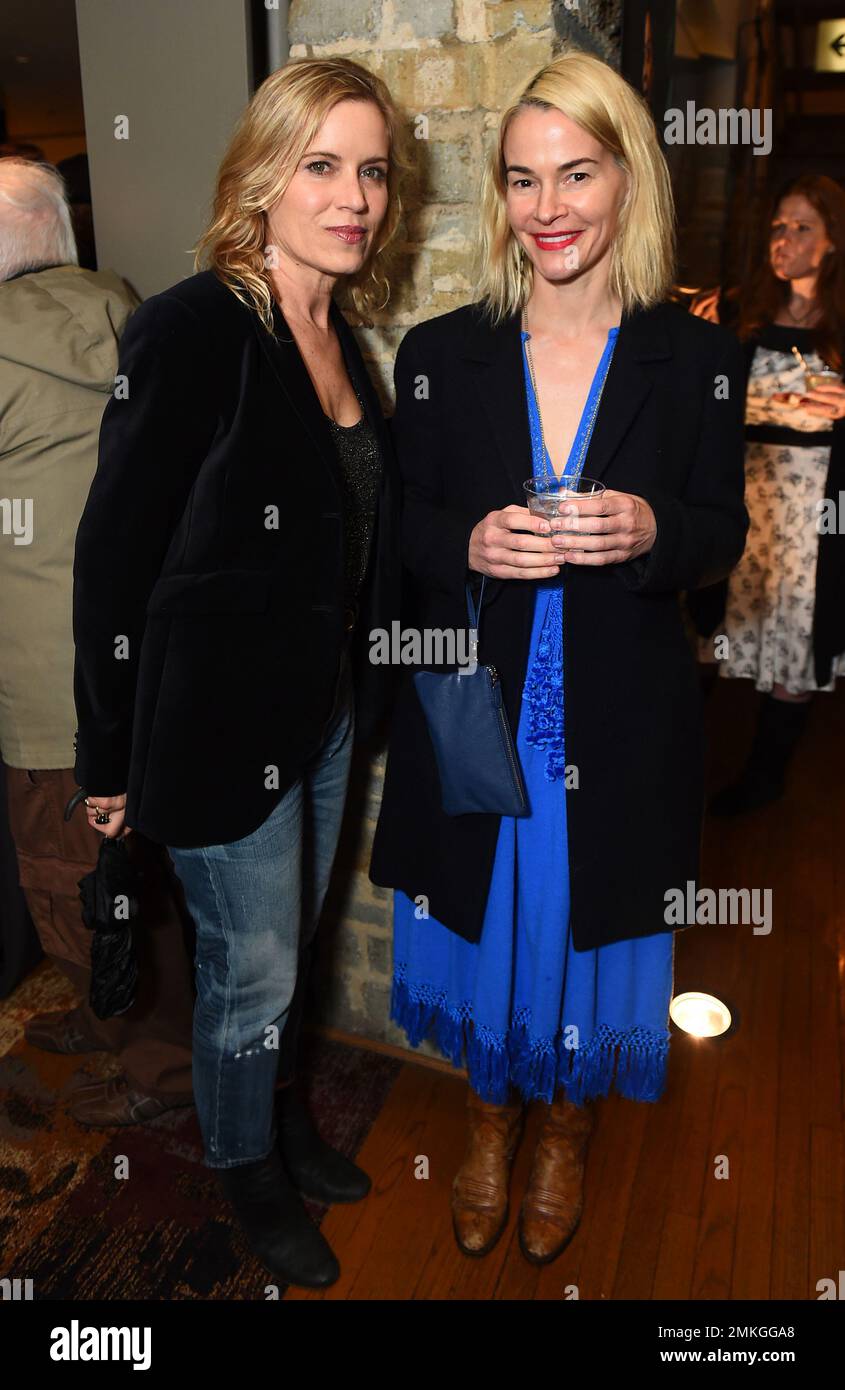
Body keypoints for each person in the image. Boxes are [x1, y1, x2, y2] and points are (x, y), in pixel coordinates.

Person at [370, 48, 748, 1266]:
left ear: (626, 177)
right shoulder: (438, 354)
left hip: (620, 724)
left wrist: (650, 533)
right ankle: (486, 1120)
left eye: (575, 174)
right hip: (482, 726)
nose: (547, 210)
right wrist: (464, 541)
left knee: (586, 936)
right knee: (491, 931)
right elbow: (400, 532)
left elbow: (718, 537)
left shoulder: (694, 361)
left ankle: (565, 1131)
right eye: (523, 180)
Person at [71, 57, 404, 1289]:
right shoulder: (193, 329)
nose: (353, 194)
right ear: (262, 177)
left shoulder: (337, 328)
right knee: (248, 970)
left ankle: (282, 1123)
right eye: (322, 165)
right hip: (215, 730)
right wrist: (105, 757)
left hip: (316, 718)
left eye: (370, 168)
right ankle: (246, 1174)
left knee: (292, 951)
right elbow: (111, 568)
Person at [0, 157, 196, 1125]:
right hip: (142, 672)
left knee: (69, 876)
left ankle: (158, 1074)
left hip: (46, 689)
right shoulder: (139, 313)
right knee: (128, 871)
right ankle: (114, 1008)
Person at [689, 175, 845, 815]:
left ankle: (762, 781)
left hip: (814, 519)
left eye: (803, 227)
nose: (786, 239)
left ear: (833, 240)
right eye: (779, 227)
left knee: (793, 646)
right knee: (709, 637)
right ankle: (670, 772)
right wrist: (701, 346)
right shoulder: (738, 313)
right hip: (744, 500)